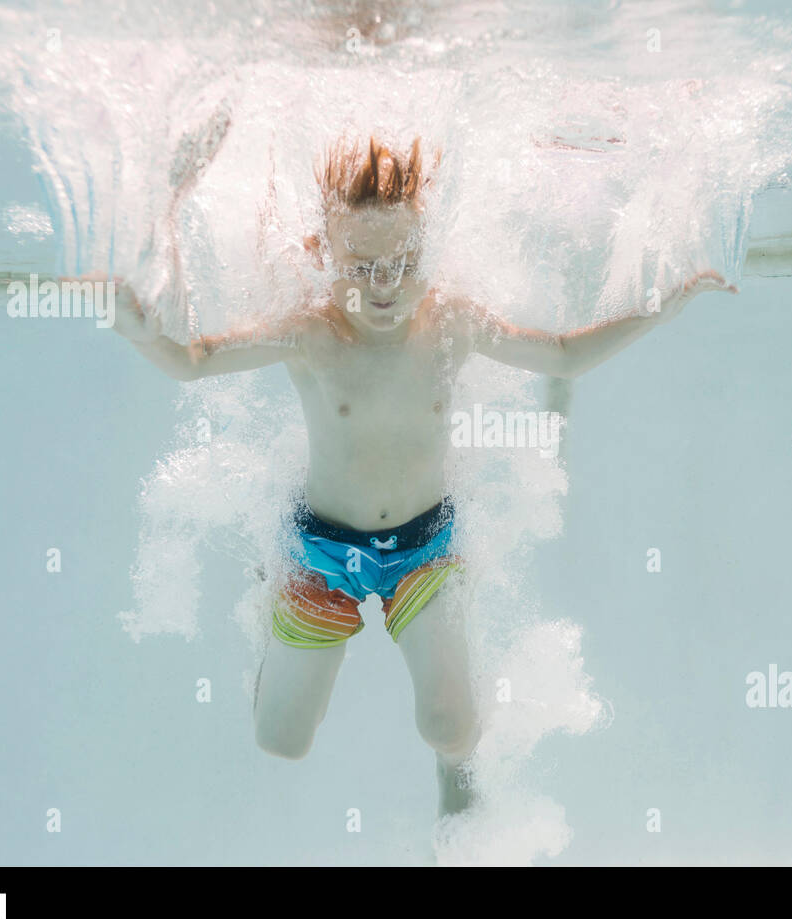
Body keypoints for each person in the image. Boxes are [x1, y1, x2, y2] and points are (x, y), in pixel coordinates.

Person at [101, 116, 735, 818]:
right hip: (319, 554)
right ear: (322, 255)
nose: (384, 287)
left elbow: (561, 353)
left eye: (402, 264)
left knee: (453, 728)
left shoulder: (451, 323)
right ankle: (271, 623)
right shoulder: (311, 334)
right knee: (282, 742)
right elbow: (191, 361)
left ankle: (452, 771)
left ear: (429, 248)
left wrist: (661, 307)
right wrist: (139, 325)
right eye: (361, 268)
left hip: (425, 548)